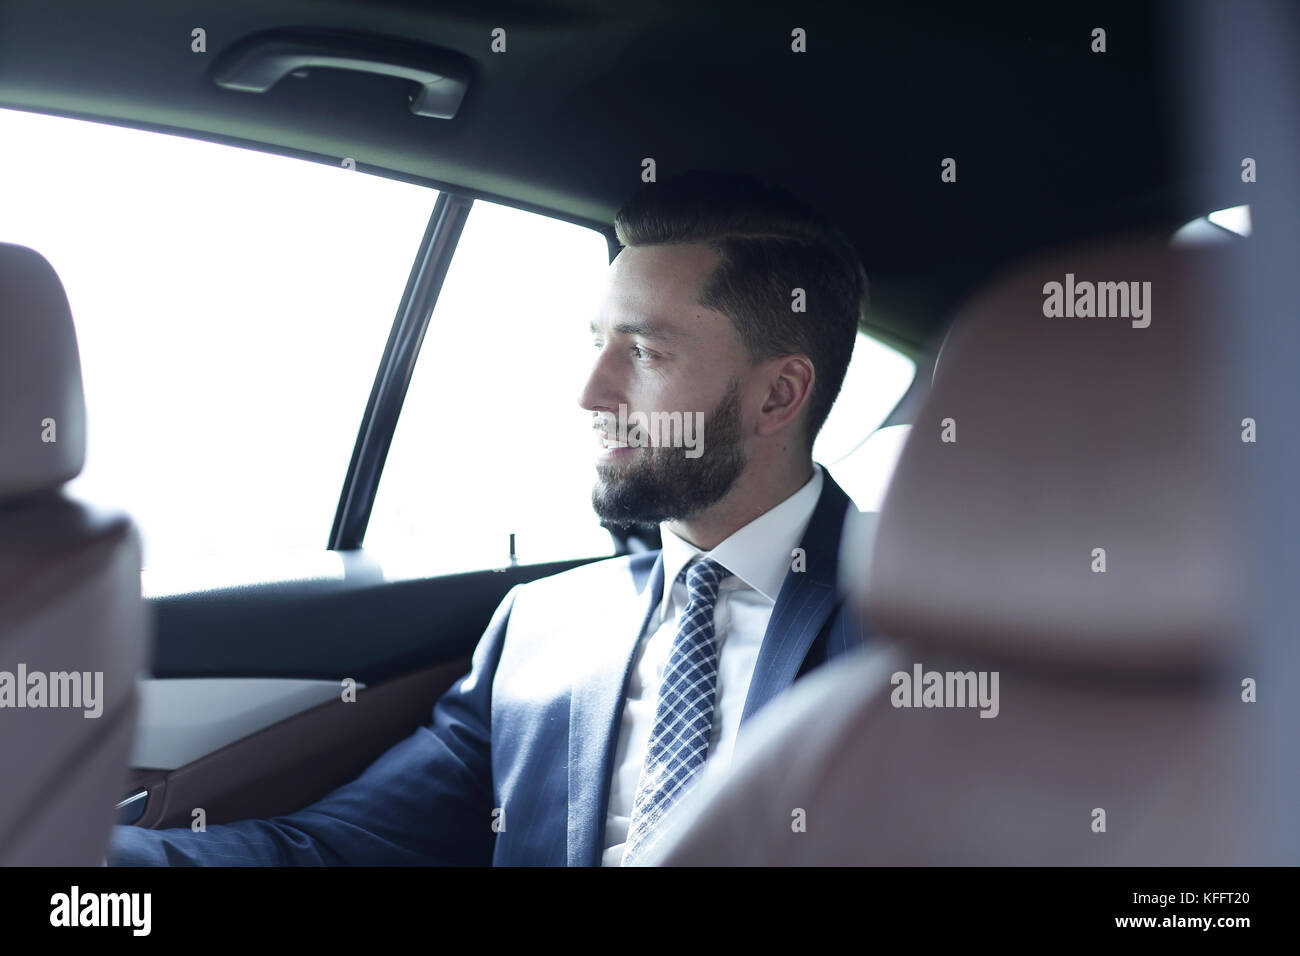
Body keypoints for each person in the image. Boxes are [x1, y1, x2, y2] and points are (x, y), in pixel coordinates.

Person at [108, 169, 872, 866]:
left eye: (642, 354)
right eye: (597, 343)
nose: (589, 393)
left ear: (779, 396)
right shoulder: (544, 626)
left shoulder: (930, 626)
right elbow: (342, 849)